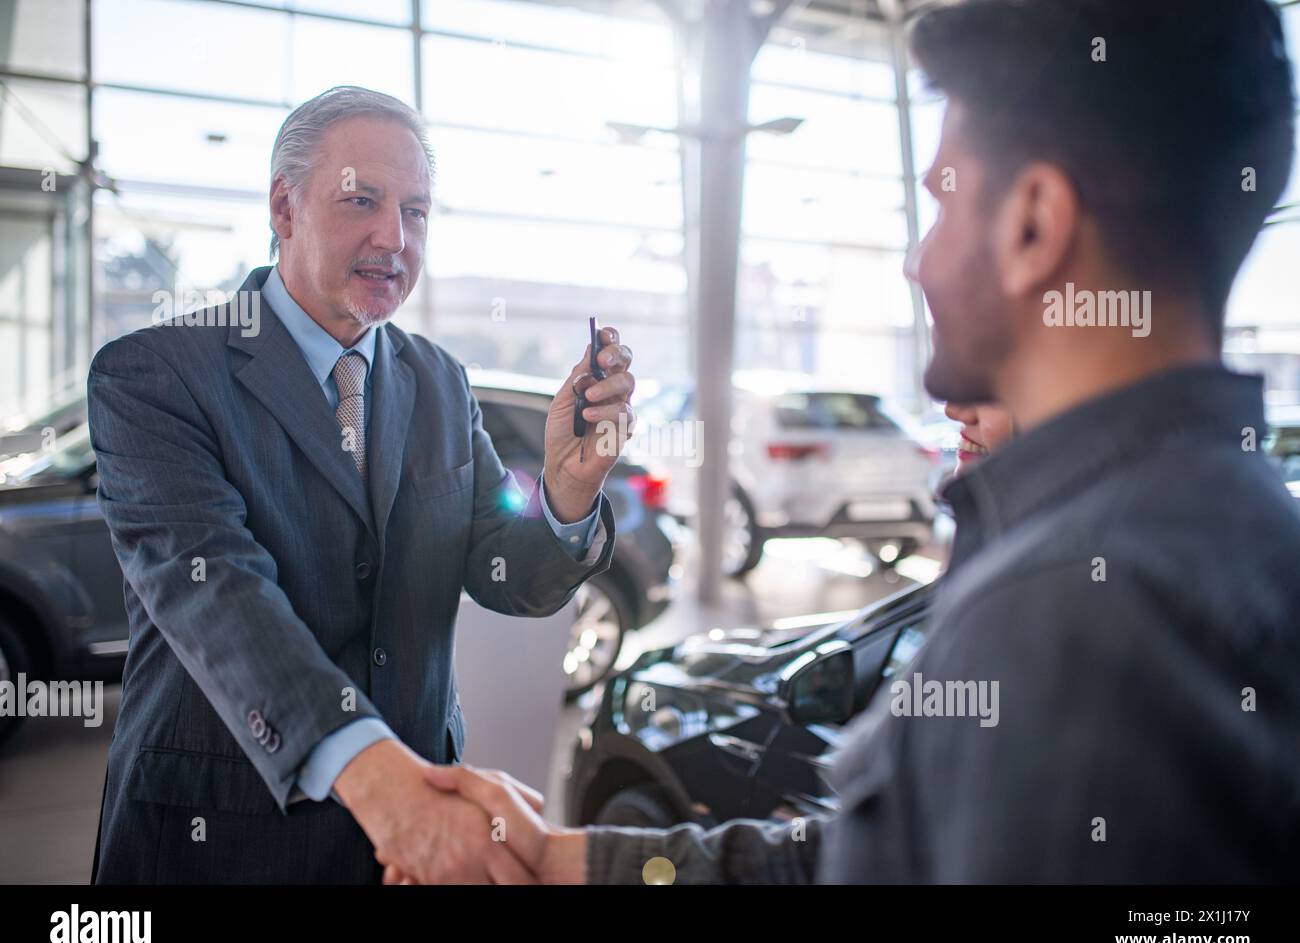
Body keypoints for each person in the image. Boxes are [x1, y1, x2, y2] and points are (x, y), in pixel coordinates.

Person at [404, 0, 1300, 883]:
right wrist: (572, 861)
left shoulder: (1060, 612)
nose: (919, 261)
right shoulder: (1241, 539)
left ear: (1034, 225)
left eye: (944, 205)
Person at [87, 85, 637, 884]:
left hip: (409, 845)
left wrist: (566, 492)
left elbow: (506, 575)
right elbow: (219, 597)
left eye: (416, 212)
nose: (394, 238)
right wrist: (381, 779)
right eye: (362, 201)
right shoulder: (157, 376)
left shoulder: (439, 381)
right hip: (225, 840)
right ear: (285, 207)